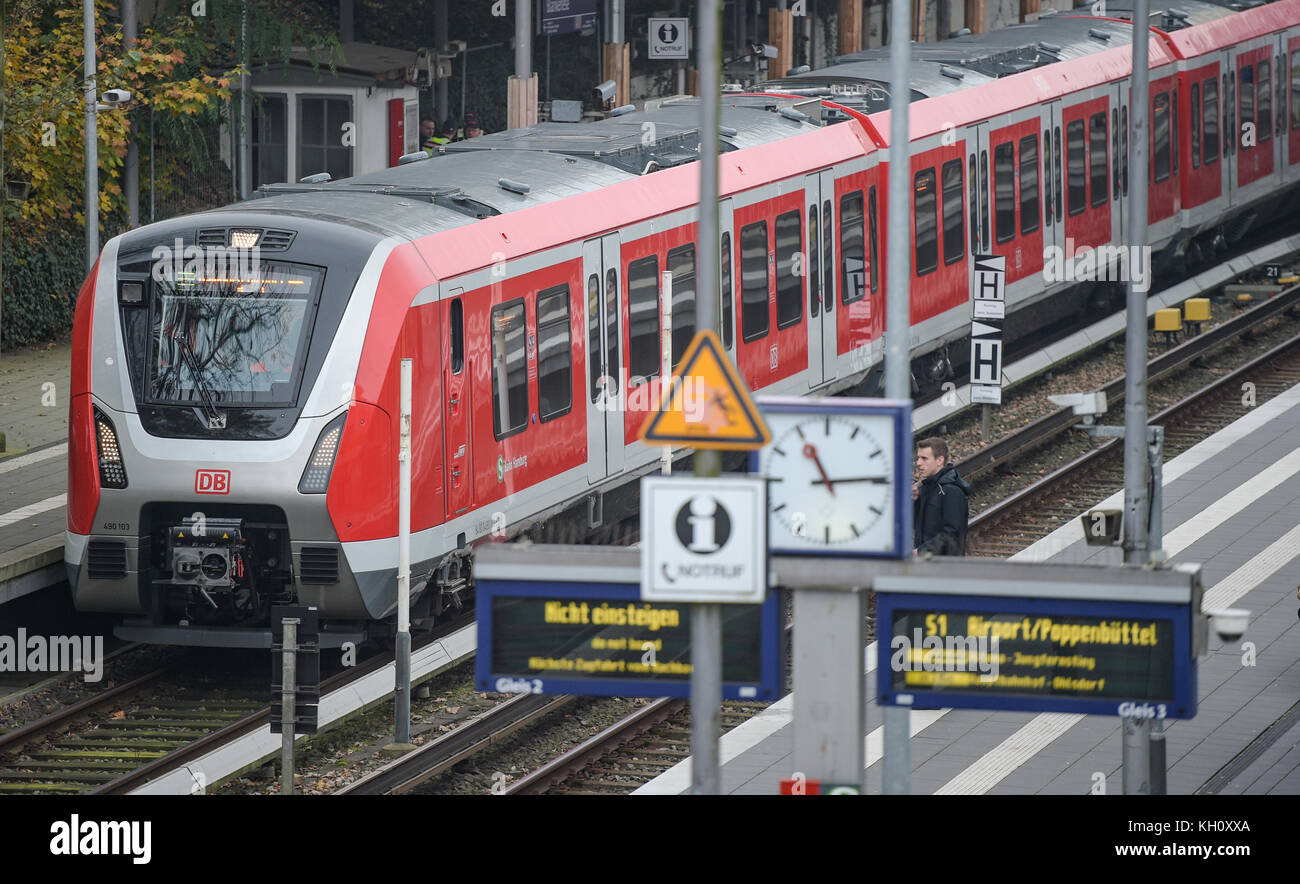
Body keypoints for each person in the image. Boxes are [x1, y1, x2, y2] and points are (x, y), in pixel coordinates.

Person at [912, 437, 970, 556]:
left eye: (924, 459)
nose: (918, 463)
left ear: (939, 461)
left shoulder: (952, 492)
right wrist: (915, 502)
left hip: (945, 567)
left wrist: (921, 551)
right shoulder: (925, 488)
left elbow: (951, 534)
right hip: (925, 565)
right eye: (918, 458)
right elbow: (914, 525)